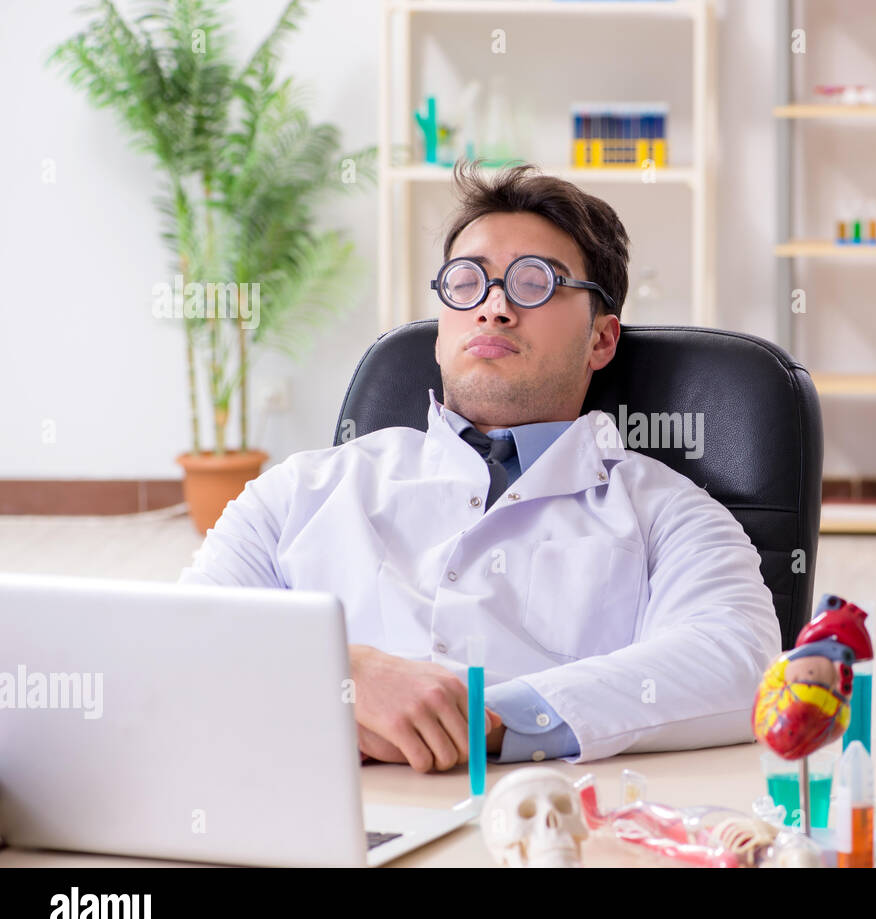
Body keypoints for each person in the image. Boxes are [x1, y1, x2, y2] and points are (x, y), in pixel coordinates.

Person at [179, 160, 781, 771]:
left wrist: (485, 718)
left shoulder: (670, 512)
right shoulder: (300, 490)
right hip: (313, 817)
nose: (493, 307)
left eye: (535, 282)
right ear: (441, 331)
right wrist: (345, 673)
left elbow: (737, 659)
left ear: (601, 339)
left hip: (543, 823)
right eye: (467, 282)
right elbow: (182, 638)